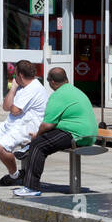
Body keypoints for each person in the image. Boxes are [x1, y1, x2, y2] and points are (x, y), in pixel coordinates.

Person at [14, 68, 99, 197]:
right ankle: (27, 149)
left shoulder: (58, 95)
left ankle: (31, 187)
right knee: (41, 141)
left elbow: (47, 124)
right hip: (90, 135)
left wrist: (37, 136)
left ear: (52, 82)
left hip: (75, 134)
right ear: (66, 78)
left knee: (38, 146)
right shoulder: (74, 90)